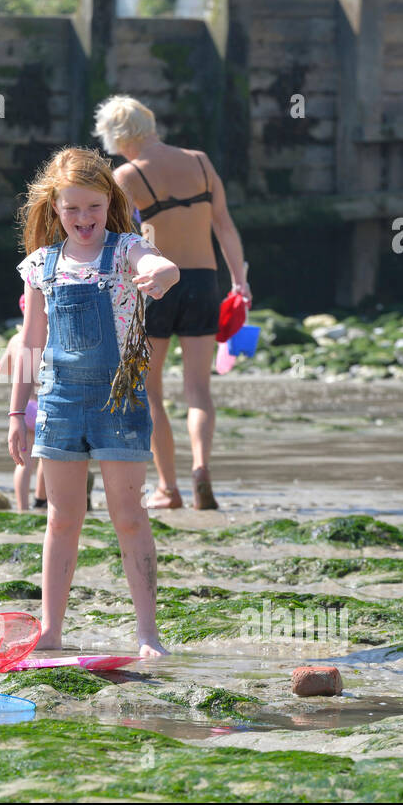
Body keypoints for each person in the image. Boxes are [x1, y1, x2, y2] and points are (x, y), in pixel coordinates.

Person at [8, 147, 181, 658]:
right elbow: (30, 342)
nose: (84, 219)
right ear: (54, 209)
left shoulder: (128, 249)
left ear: (110, 202)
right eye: (72, 209)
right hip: (59, 399)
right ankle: (51, 629)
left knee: (128, 515)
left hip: (120, 398)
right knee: (63, 517)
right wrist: (18, 413)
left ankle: (148, 633)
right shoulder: (42, 264)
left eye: (93, 208)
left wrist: (162, 273)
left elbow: (161, 264)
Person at [93, 96, 251, 510]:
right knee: (199, 389)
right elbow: (226, 227)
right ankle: (201, 467)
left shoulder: (125, 175)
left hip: (156, 283)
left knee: (150, 389)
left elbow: (119, 243)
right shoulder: (200, 161)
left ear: (116, 136)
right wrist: (240, 281)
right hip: (203, 280)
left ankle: (168, 487)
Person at [0, 294, 45, 511]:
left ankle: (22, 507)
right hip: (45, 403)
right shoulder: (49, 335)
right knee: (46, 458)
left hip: (24, 406)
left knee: (23, 462)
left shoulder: (17, 340)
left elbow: (3, 368)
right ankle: (42, 500)